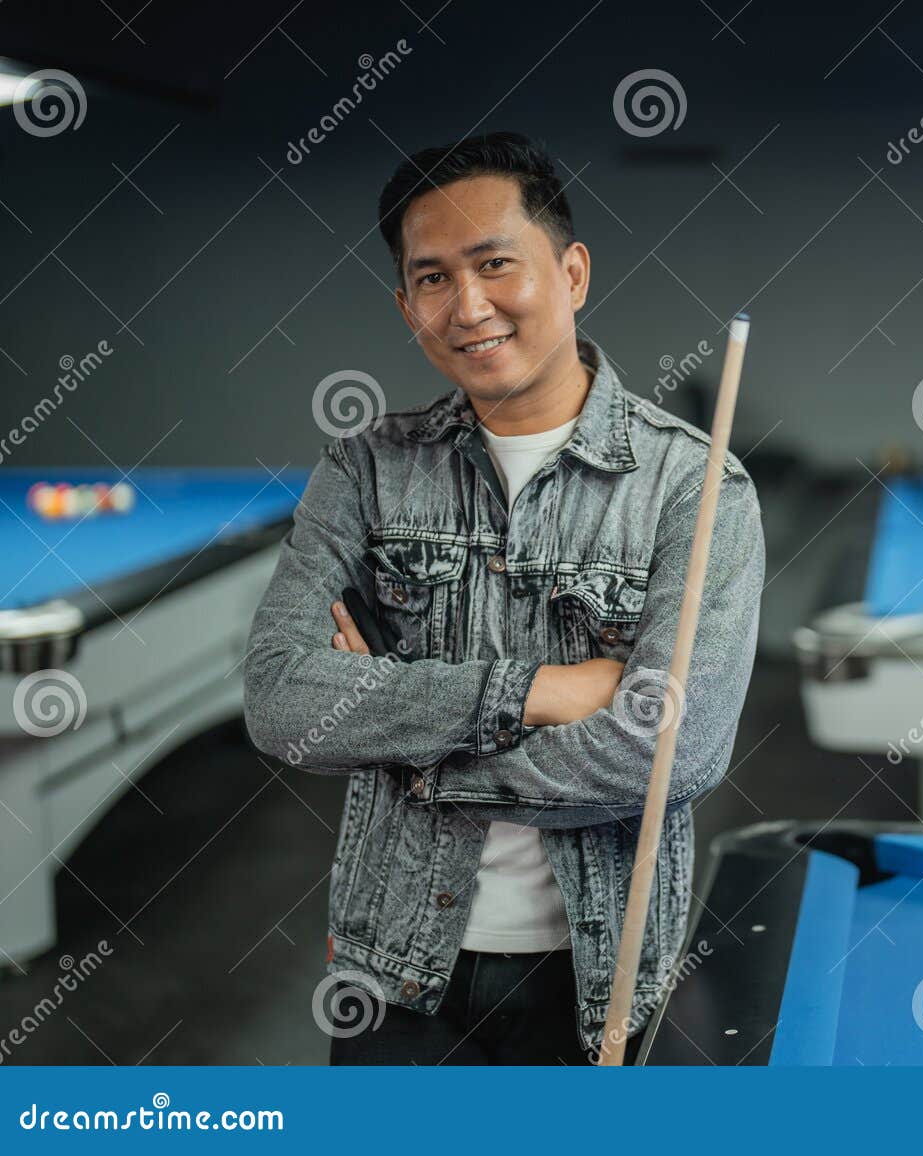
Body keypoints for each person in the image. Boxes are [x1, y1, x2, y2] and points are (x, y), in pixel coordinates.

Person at [242, 131, 763, 1065]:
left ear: (571, 272)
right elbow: (283, 701)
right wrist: (535, 691)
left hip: (598, 976)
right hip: (390, 971)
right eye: (434, 278)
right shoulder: (362, 472)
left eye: (495, 264)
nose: (469, 306)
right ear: (407, 307)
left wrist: (416, 751)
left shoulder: (695, 486)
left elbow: (676, 753)